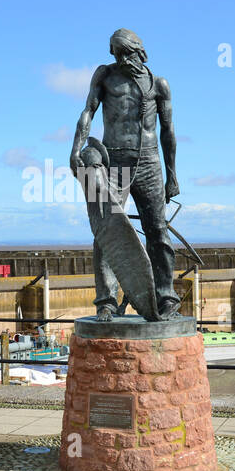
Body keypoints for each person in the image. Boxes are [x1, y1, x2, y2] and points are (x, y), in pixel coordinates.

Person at [70, 29, 180, 320]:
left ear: (139, 51)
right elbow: (87, 112)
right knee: (107, 230)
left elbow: (168, 132)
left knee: (158, 231)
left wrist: (172, 176)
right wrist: (76, 149)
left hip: (149, 163)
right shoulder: (105, 75)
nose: (122, 58)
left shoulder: (159, 85)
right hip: (112, 162)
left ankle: (166, 297)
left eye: (126, 52)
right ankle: (106, 301)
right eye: (117, 53)